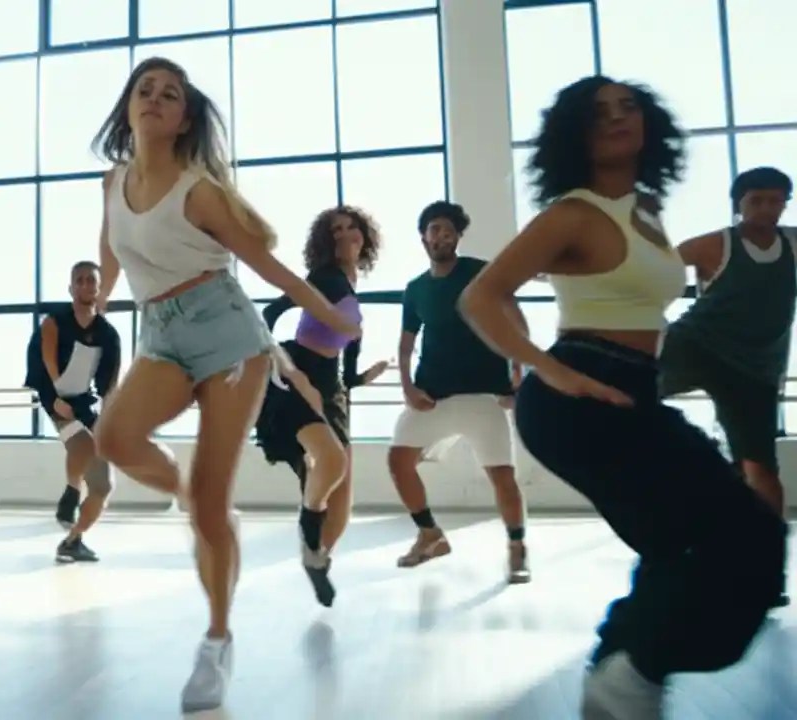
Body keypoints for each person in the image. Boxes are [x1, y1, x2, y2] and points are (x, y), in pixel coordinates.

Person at [459, 75, 787, 720]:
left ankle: (625, 667)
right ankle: (633, 668)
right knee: (739, 531)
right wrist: (545, 370)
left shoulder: (643, 209)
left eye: (628, 107)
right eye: (599, 112)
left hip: (631, 390)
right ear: (575, 134)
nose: (617, 118)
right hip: (582, 391)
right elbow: (480, 296)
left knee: (700, 539)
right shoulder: (573, 212)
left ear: (650, 123)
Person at [88, 56, 360, 713]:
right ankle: (195, 490)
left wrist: (323, 313)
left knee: (208, 514)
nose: (155, 100)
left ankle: (216, 641)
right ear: (129, 107)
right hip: (160, 329)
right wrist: (97, 299)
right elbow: (109, 249)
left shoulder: (198, 190)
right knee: (114, 437)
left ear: (184, 119)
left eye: (170, 94)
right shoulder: (112, 182)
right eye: (144, 90)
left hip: (226, 332)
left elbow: (262, 263)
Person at [658, 166, 793, 608]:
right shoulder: (714, 244)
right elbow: (650, 276)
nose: (767, 210)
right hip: (694, 347)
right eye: (757, 201)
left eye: (777, 201)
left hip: (753, 370)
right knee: (625, 394)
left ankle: (768, 573)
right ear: (739, 205)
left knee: (761, 470)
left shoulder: (794, 245)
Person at [388, 201, 530, 583]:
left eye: (448, 231)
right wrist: (407, 387)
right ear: (424, 236)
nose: (441, 236)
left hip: (483, 395)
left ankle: (517, 548)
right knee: (399, 461)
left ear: (457, 236)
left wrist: (518, 370)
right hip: (432, 395)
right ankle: (430, 536)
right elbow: (404, 346)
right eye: (434, 229)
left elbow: (513, 316)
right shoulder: (415, 289)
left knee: (503, 477)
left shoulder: (479, 272)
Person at [254, 206, 389, 606]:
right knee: (329, 462)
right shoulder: (323, 279)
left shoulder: (350, 288)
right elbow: (268, 316)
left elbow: (345, 371)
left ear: (364, 236)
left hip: (332, 389)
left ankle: (315, 556)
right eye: (336, 230)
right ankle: (308, 525)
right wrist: (291, 373)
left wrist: (366, 377)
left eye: (352, 227)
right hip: (297, 376)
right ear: (325, 241)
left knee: (342, 508)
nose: (345, 234)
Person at [24, 260, 121, 563]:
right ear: (70, 287)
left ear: (99, 287)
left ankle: (73, 539)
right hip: (54, 395)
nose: (85, 286)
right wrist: (54, 398)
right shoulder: (54, 322)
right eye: (78, 280)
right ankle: (70, 492)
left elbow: (109, 385)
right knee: (82, 445)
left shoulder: (108, 334)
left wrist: (107, 423)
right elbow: (46, 363)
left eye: (90, 280)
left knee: (104, 485)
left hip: (85, 401)